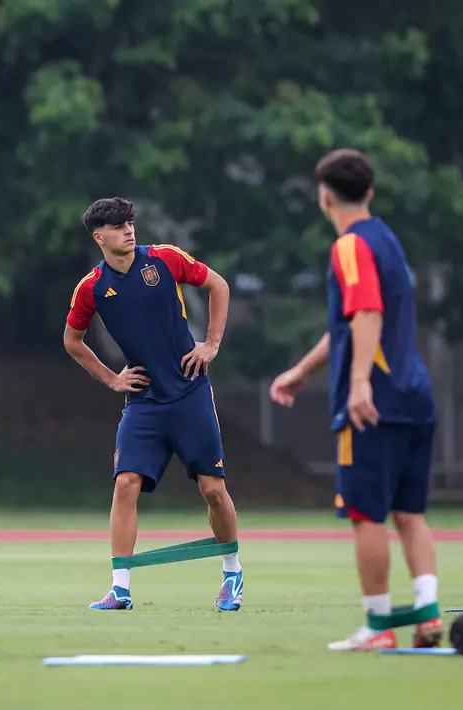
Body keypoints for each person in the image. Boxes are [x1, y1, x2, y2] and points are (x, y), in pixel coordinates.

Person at [269, 148, 441, 651]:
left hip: (374, 404)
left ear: (324, 197)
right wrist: (302, 372)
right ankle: (428, 616)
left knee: (367, 514)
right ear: (369, 191)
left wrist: (360, 383)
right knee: (410, 514)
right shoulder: (387, 240)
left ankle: (379, 626)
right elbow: (347, 325)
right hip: (415, 395)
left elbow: (366, 315)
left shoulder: (348, 246)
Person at [63, 197, 243, 612]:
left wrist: (211, 345)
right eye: (118, 225)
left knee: (213, 489)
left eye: (130, 222)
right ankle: (120, 588)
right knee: (125, 484)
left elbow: (219, 285)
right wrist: (111, 378)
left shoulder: (164, 259)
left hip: (190, 391)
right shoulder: (91, 287)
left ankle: (232, 572)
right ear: (99, 237)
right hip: (143, 400)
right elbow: (72, 341)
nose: (128, 229)